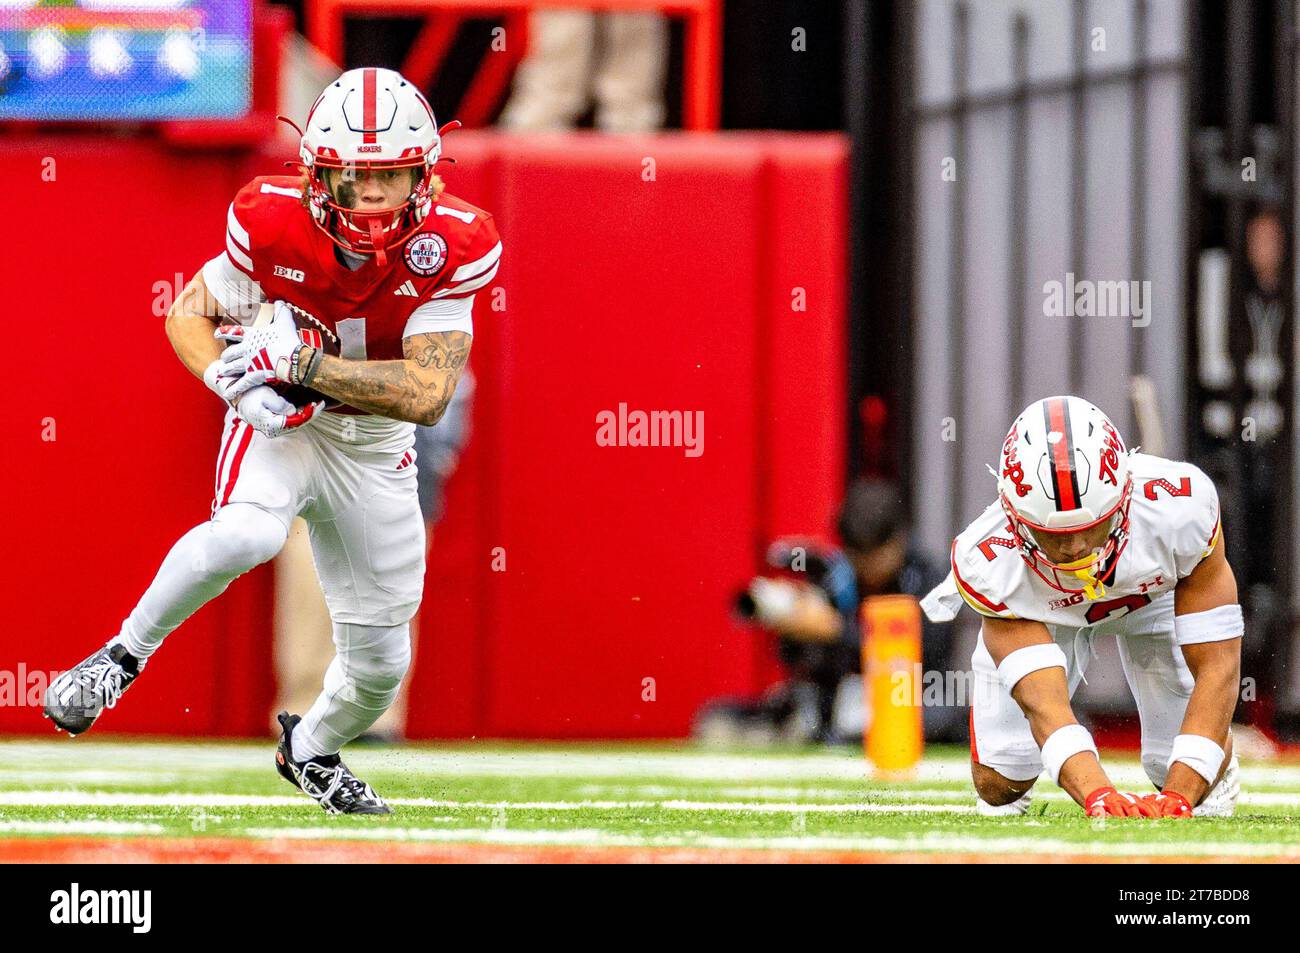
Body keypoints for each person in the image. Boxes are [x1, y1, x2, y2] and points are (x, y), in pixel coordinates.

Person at [43, 67, 501, 815]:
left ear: (426, 175)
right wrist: (236, 385)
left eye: (391, 176)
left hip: (378, 444)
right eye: (354, 176)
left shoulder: (457, 243)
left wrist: (301, 363)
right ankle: (119, 658)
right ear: (317, 173)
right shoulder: (268, 219)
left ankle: (311, 746)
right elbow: (187, 315)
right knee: (248, 533)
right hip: (286, 427)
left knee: (381, 667)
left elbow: (426, 393)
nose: (374, 197)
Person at [922, 396, 1243, 818]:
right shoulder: (989, 560)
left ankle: (1216, 763)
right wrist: (1097, 795)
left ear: (1123, 497)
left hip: (1152, 599)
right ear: (1015, 520)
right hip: (1043, 608)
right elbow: (1046, 705)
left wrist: (1181, 792)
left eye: (1092, 527)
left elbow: (1219, 665)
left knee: (1176, 768)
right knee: (1001, 781)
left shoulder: (1181, 507)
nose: (1076, 549)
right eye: (1056, 536)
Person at [698, 479, 953, 745]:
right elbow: (800, 662)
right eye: (858, 558)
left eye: (875, 558)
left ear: (898, 541)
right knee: (716, 719)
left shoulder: (930, 580)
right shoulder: (833, 577)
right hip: (835, 701)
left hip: (910, 701)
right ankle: (820, 729)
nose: (868, 570)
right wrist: (796, 626)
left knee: (944, 715)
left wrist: (837, 630)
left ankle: (838, 729)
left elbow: (928, 650)